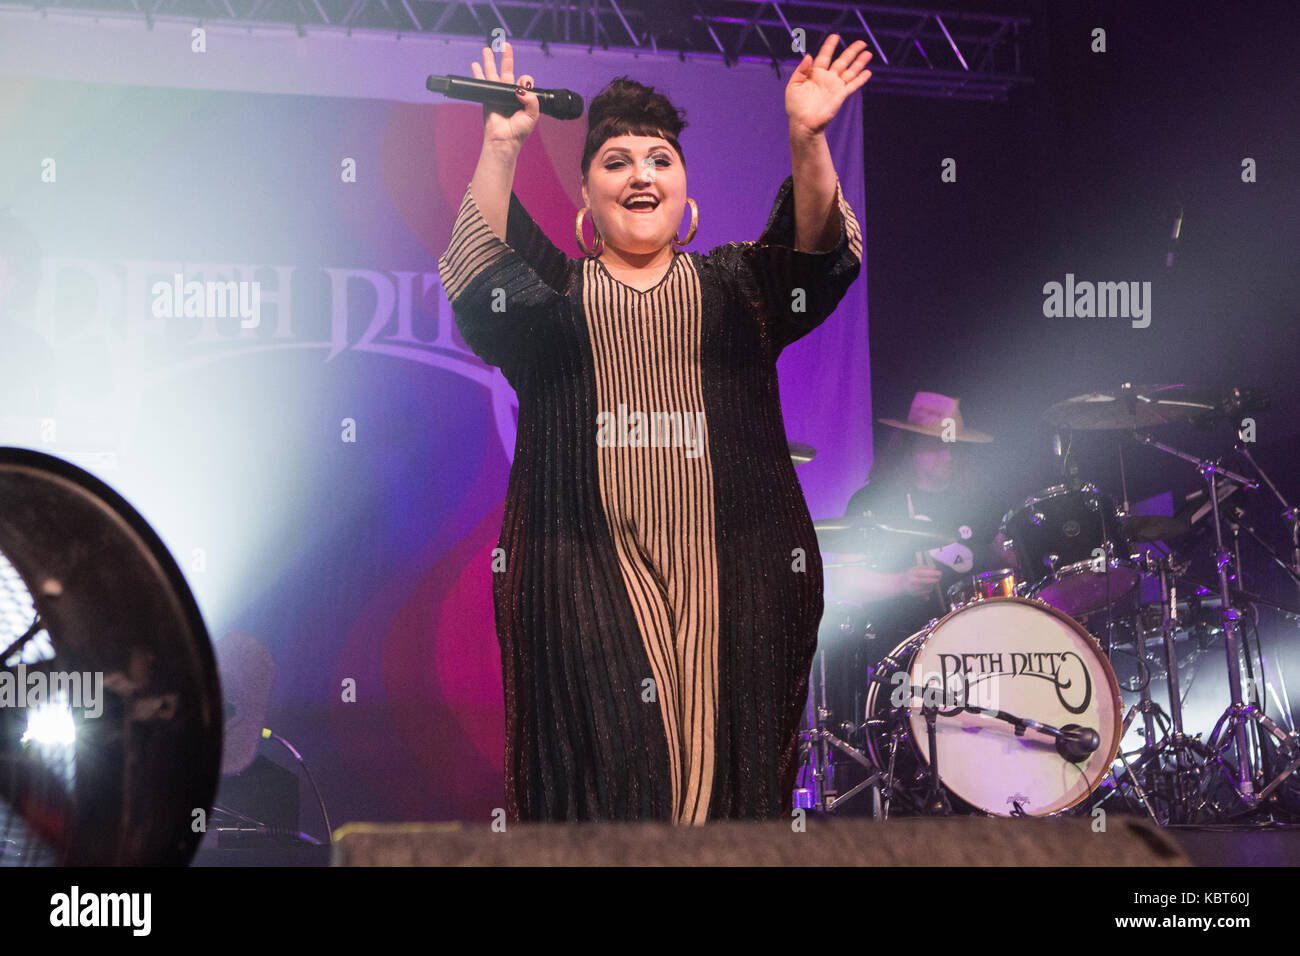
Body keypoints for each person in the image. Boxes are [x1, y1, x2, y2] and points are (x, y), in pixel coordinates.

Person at [438, 37, 870, 823]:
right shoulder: (552, 293)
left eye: (661, 158)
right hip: (581, 575)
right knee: (616, 769)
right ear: (587, 197)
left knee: (726, 796)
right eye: (616, 161)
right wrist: (502, 145)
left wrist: (808, 137)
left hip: (736, 579)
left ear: (684, 190)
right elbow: (478, 274)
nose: (641, 173)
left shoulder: (738, 286)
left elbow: (816, 257)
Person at [827, 392, 1009, 647]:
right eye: (937, 447)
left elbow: (1008, 565)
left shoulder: (978, 502)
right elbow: (844, 583)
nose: (948, 456)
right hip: (900, 646)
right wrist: (900, 583)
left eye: (953, 446)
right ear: (910, 446)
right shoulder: (872, 501)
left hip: (977, 644)